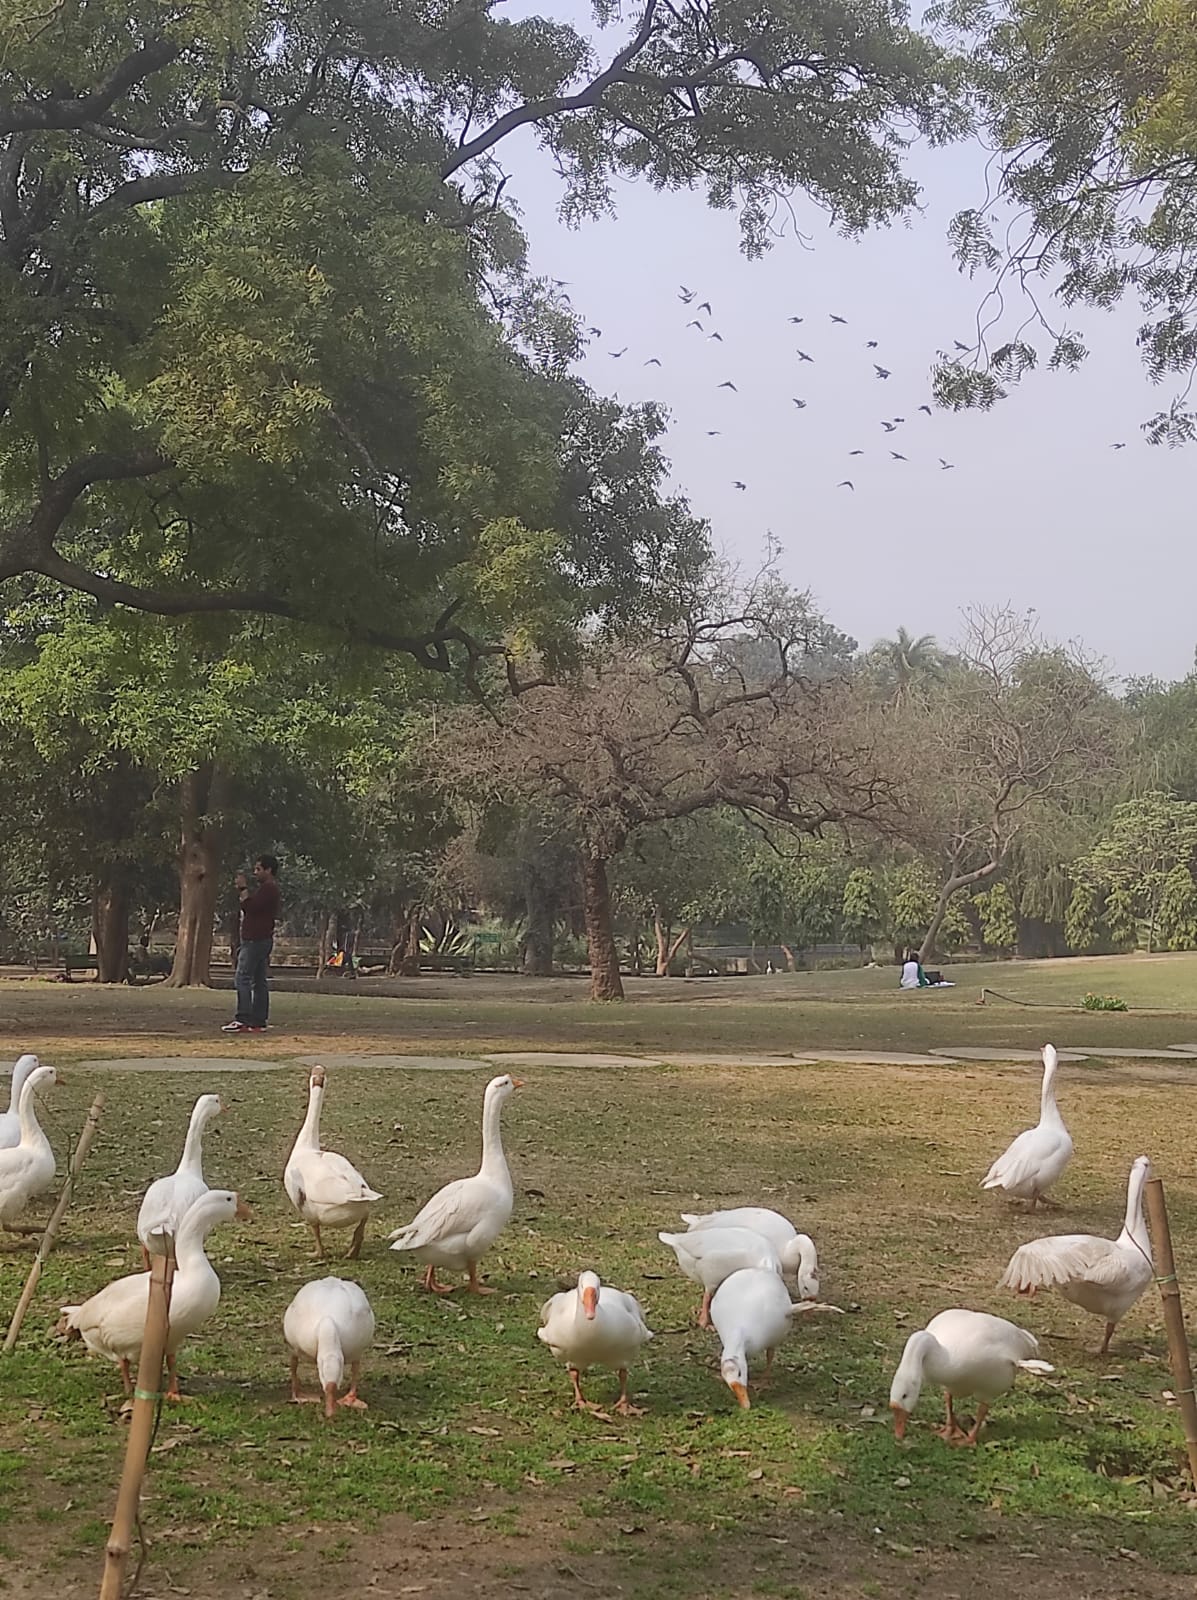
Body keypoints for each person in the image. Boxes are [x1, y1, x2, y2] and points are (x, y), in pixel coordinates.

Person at [222, 855, 281, 1034]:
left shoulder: (269, 889)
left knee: (243, 977)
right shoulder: (266, 889)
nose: (255, 873)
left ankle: (243, 1018)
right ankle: (258, 1020)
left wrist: (243, 889)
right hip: (260, 939)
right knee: (258, 980)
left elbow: (251, 907)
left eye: (258, 869)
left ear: (268, 870)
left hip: (256, 940)